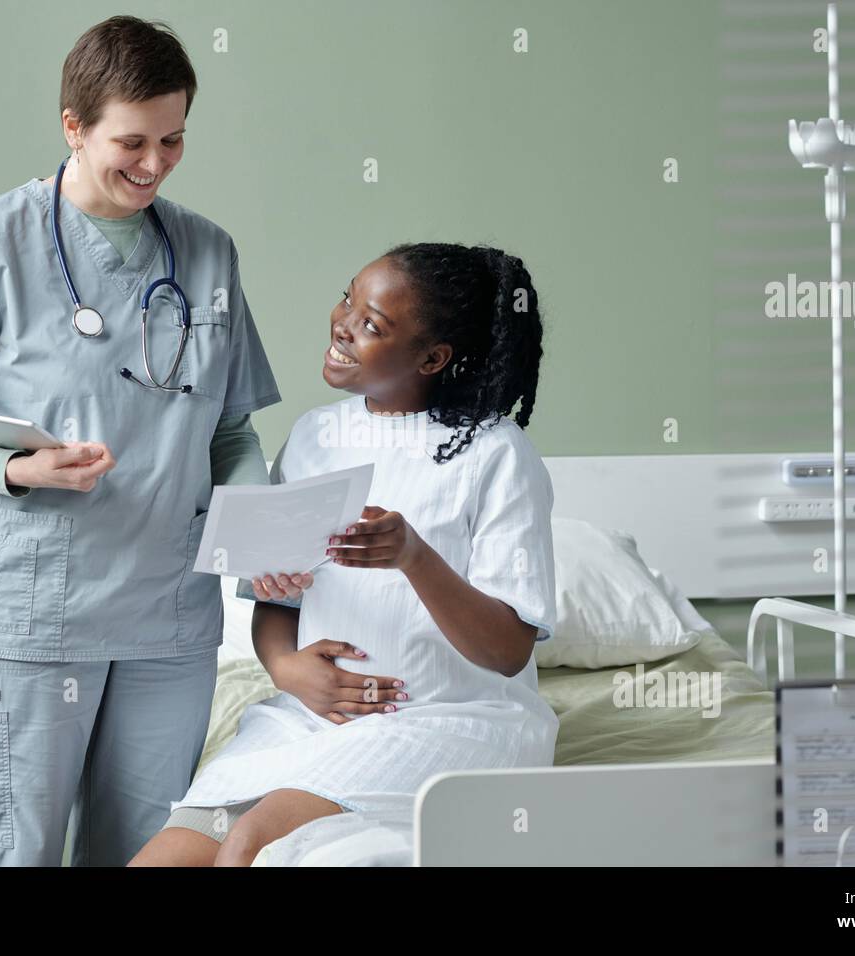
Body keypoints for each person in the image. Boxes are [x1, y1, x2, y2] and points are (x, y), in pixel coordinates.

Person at [0, 16, 309, 866]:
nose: (153, 164)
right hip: (25, 620)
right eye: (131, 142)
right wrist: (16, 467)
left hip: (166, 625)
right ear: (73, 127)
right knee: (9, 852)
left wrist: (262, 524)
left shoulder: (207, 255)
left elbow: (230, 429)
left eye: (174, 140)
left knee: (144, 857)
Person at [129, 242, 558, 866]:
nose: (342, 322)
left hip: (449, 721)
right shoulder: (314, 438)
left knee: (251, 844)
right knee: (165, 858)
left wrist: (415, 556)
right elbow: (278, 597)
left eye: (371, 324)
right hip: (310, 719)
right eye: (348, 297)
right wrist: (285, 668)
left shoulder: (497, 455)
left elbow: (507, 650)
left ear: (433, 357)